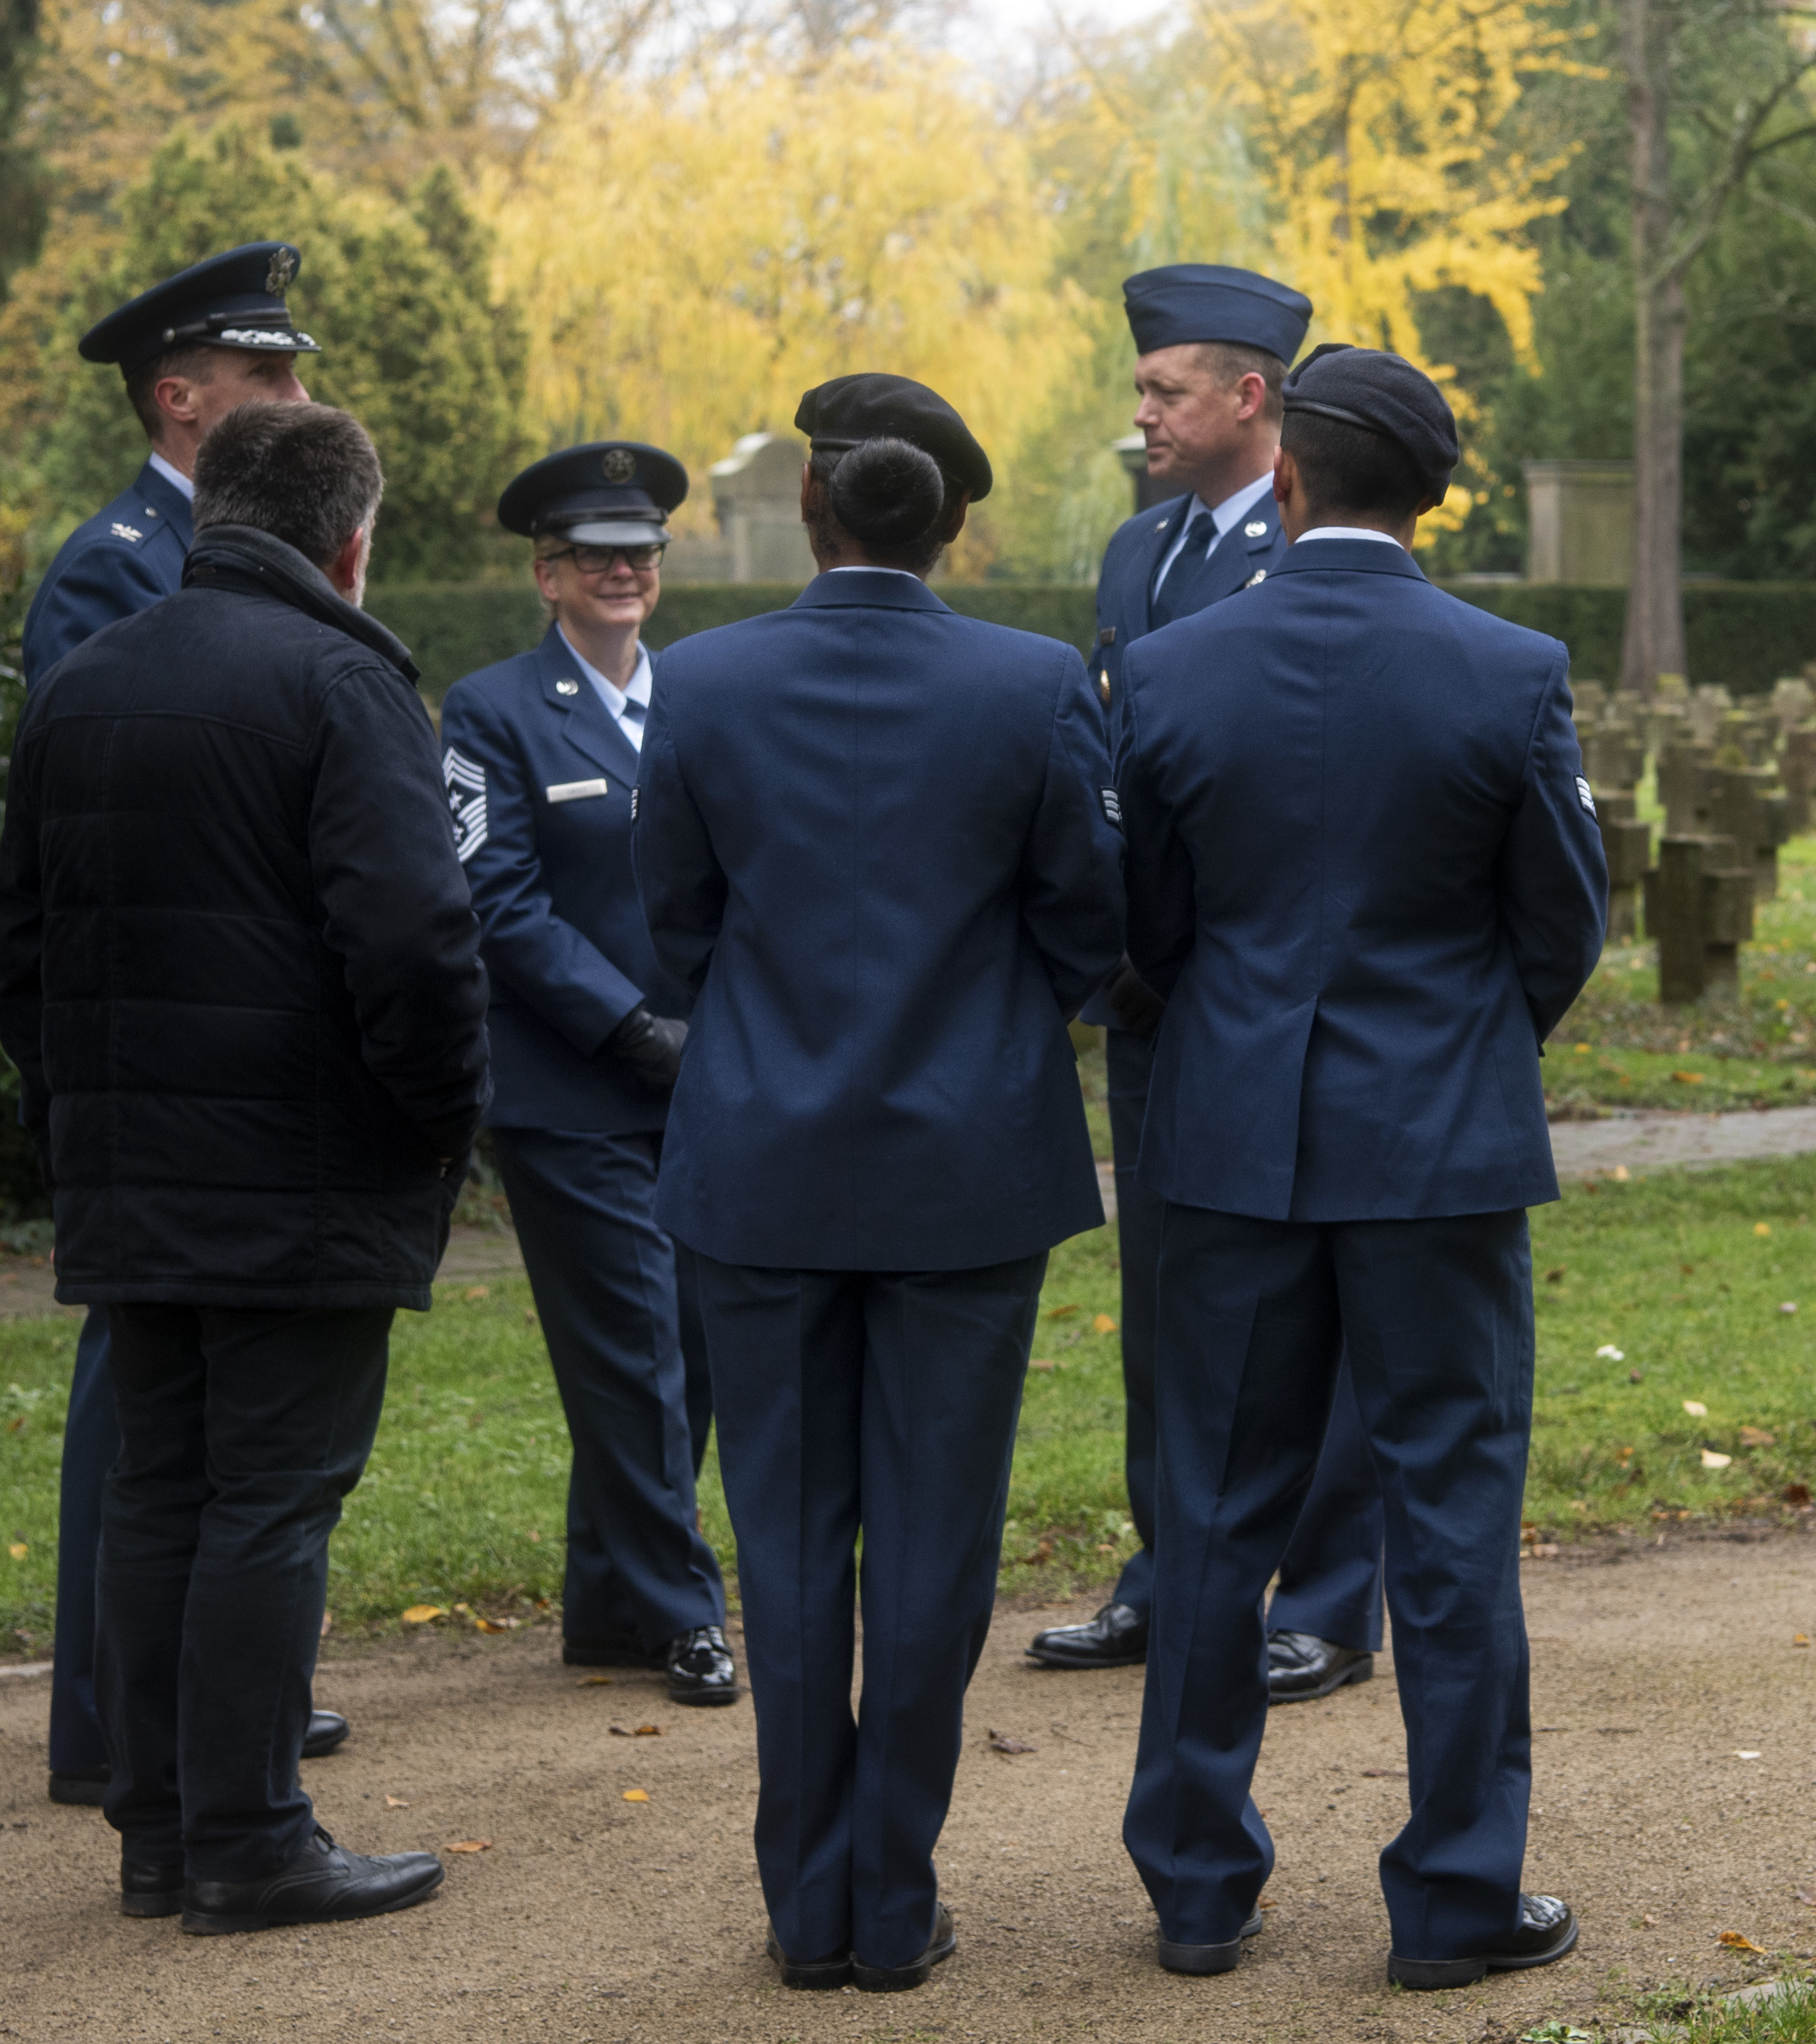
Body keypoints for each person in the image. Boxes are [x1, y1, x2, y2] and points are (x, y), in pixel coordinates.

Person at [1112, 345, 1606, 1989]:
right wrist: (1460, 1044)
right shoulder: (1510, 666)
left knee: (1212, 1513)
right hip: (1440, 1152)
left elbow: (1154, 932)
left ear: (1295, 475)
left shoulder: (1175, 670)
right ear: (1431, 496)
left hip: (1236, 1146)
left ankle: (1196, 1883)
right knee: (1450, 1523)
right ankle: (1457, 1900)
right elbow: (1562, 922)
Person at [633, 374, 1122, 1992]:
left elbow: (676, 922)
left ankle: (804, 1897)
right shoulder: (1036, 680)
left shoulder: (697, 681)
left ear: (805, 517)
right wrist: (989, 1028)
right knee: (933, 1545)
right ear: (951, 531)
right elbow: (1087, 919)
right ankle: (891, 1897)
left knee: (781, 1540)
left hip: (760, 1157)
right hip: (965, 1168)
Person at [0, 400, 489, 1933]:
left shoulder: (83, 681)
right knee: (270, 1498)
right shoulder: (345, 682)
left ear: (213, 514)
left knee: (163, 1489)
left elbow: (20, 955)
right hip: (300, 1166)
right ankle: (253, 1836)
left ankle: (163, 1836)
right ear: (353, 542)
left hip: (133, 1163)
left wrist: (84, 1116)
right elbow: (414, 940)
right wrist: (432, 1119)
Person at [15, 241, 352, 1808]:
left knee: (187, 1418)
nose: (296, 394)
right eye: (268, 378)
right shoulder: (114, 564)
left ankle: (213, 1688)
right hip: (171, 1050)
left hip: (227, 1043)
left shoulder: (230, 540)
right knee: (140, 1412)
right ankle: (110, 1716)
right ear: (181, 396)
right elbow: (99, 822)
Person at [1027, 263, 1388, 1708]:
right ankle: (1172, 1574)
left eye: (1166, 390)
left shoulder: (1323, 538)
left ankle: (1329, 1597)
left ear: (1253, 398)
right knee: (1170, 1294)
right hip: (1155, 992)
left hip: (1281, 989)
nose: (1145, 413)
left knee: (1322, 1297)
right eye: (1142, 388)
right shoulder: (1141, 553)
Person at [438, 444, 736, 1708]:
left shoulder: (709, 700)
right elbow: (493, 902)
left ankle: (612, 1607)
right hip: (576, 1092)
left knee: (689, 1350)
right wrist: (629, 1031)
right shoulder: (493, 710)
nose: (626, 570)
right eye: (597, 554)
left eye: (645, 551)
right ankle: (687, 1613)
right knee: (635, 1355)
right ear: (548, 574)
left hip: (709, 1085)